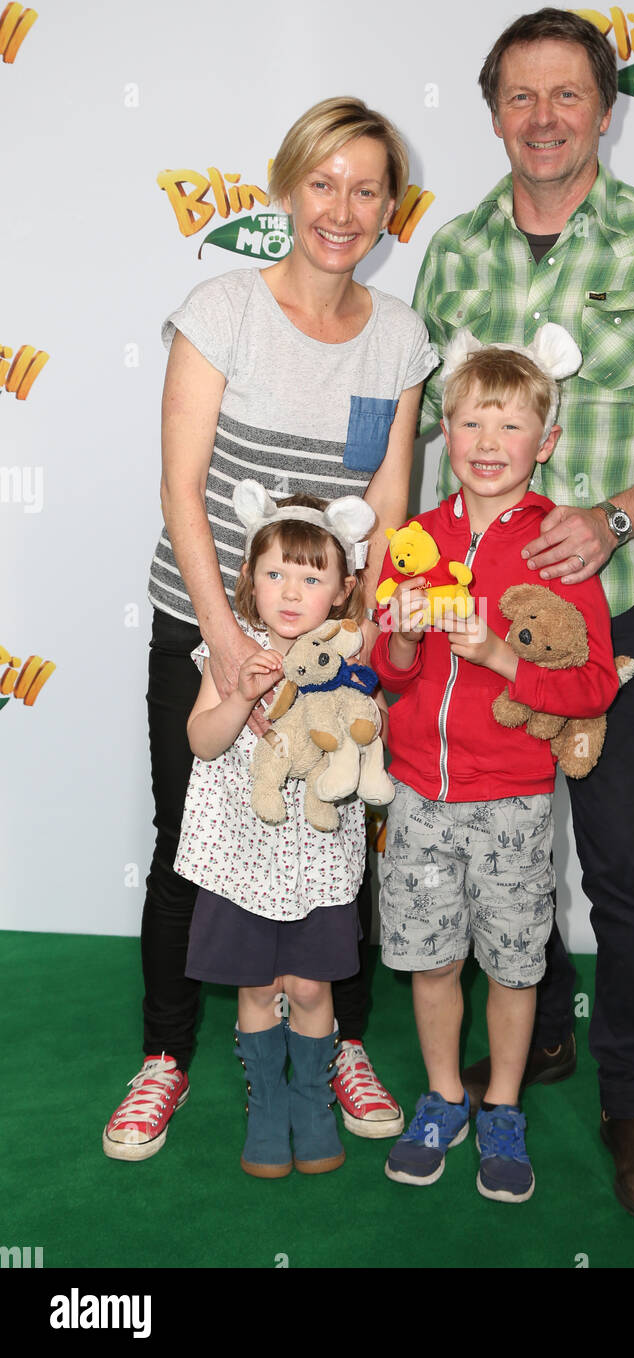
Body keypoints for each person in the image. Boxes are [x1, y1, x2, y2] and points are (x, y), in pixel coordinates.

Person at [411, 9, 634, 1219]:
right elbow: (412, 430)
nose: (542, 118)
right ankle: (535, 1031)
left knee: (617, 863)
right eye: (518, 97)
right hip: (462, 632)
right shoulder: (449, 250)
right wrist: (388, 574)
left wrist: (609, 518)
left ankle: (630, 1100)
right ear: (493, 110)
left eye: (566, 96)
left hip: (603, 616)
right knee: (487, 846)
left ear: (606, 108)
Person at [103, 97, 438, 1161]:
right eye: (323, 182)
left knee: (339, 842)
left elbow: (387, 514)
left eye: (366, 188)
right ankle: (164, 1057)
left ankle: (335, 1035)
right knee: (191, 844)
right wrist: (234, 646)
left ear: (391, 207)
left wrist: (333, 655)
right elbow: (182, 486)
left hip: (329, 650)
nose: (342, 208)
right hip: (203, 629)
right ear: (288, 189)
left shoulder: (399, 338)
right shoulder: (222, 309)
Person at [372, 329, 620, 1203]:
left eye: (510, 426)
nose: (486, 443)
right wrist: (400, 637)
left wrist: (503, 660)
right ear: (445, 429)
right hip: (418, 796)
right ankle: (443, 1098)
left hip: (512, 799)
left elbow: (592, 684)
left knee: (515, 964)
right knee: (431, 959)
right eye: (471, 421)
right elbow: (388, 670)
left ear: (544, 443)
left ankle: (503, 1104)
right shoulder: (415, 539)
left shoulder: (559, 546)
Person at [180, 482, 373, 1176]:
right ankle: (265, 1104)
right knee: (259, 986)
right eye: (275, 574)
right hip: (243, 858)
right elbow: (202, 742)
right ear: (248, 581)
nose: (292, 593)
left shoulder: (349, 662)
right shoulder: (231, 654)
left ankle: (310, 1102)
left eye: (312, 576)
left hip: (319, 858)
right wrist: (239, 695)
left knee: (314, 985)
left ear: (343, 589)